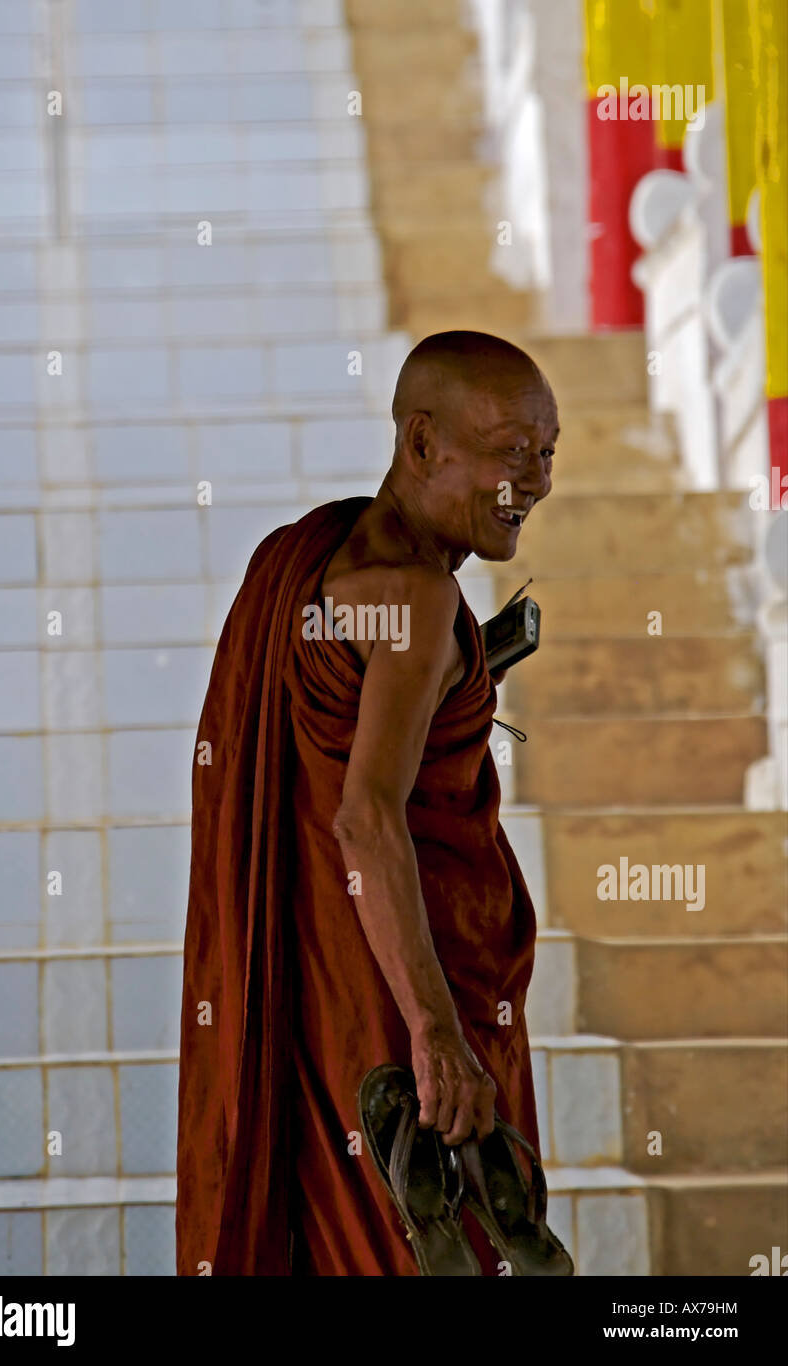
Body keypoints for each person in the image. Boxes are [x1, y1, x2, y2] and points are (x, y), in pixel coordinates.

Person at [176, 330, 560, 1276]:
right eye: (512, 452)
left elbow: (347, 714)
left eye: (548, 453)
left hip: (324, 1002)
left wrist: (470, 672)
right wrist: (436, 1036)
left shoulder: (301, 559)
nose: (538, 480)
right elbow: (365, 818)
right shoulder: (420, 601)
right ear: (422, 444)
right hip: (403, 1000)